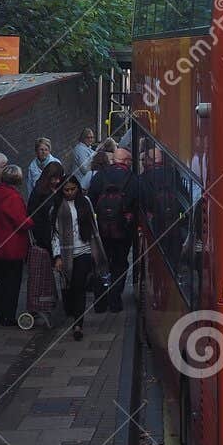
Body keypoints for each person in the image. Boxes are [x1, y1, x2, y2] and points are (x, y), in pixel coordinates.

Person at [48, 174, 99, 340]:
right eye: (66, 190)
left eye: (73, 189)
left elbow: (93, 226)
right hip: (65, 252)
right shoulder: (56, 206)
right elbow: (54, 235)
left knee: (79, 287)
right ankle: (72, 312)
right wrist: (57, 257)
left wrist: (95, 249)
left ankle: (78, 325)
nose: (70, 192)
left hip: (83, 250)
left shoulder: (86, 202)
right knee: (69, 287)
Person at [88, 146, 137, 312]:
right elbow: (137, 205)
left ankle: (100, 303)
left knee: (101, 263)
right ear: (127, 161)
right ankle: (115, 301)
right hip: (123, 231)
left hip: (101, 231)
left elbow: (91, 200)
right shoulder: (132, 179)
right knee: (120, 263)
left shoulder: (99, 176)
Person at [0, 164, 31, 325]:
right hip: (12, 246)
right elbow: (21, 222)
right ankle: (8, 316)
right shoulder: (12, 197)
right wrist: (31, 220)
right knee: (12, 283)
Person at [24, 161, 66, 324]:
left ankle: (50, 302)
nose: (56, 181)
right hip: (45, 238)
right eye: (53, 178)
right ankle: (43, 303)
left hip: (54, 236)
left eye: (58, 177)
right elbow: (35, 217)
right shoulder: (40, 192)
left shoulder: (54, 189)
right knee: (46, 272)